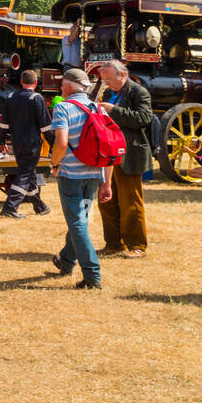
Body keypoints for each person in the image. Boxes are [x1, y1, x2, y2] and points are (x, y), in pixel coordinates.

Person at [49, 68, 112, 290]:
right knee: (81, 220)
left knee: (77, 223)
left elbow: (62, 142)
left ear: (67, 86)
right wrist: (107, 181)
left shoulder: (63, 108)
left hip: (71, 175)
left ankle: (92, 276)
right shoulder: (98, 109)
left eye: (62, 84)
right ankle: (66, 261)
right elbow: (108, 148)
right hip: (94, 174)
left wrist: (55, 164)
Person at [97, 59, 152, 258]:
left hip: (129, 155)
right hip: (108, 154)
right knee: (106, 201)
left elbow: (143, 119)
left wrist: (113, 110)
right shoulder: (107, 92)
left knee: (131, 203)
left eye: (109, 79)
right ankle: (113, 244)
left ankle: (137, 246)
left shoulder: (139, 92)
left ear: (122, 75)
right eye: (104, 80)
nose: (107, 83)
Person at [0, 69, 53, 219]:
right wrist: (54, 146)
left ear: (21, 82)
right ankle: (10, 208)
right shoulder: (37, 98)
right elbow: (46, 127)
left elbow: (4, 124)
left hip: (16, 143)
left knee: (29, 174)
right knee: (25, 174)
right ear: (35, 83)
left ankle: (39, 206)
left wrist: (1, 141)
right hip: (32, 144)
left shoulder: (10, 97)